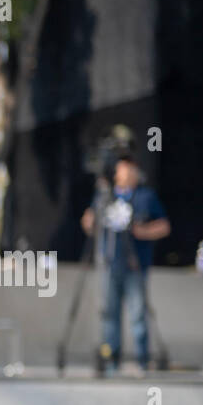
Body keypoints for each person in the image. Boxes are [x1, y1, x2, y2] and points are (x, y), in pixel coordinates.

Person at [81, 153, 170, 375]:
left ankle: (142, 361)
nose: (127, 173)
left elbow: (164, 226)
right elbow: (90, 225)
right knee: (109, 315)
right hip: (109, 264)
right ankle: (111, 362)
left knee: (138, 313)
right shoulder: (104, 197)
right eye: (122, 169)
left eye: (131, 169)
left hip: (135, 266)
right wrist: (89, 221)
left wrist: (142, 231)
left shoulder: (145, 196)